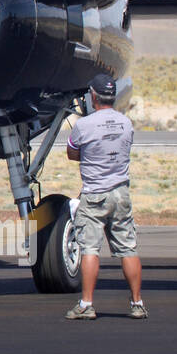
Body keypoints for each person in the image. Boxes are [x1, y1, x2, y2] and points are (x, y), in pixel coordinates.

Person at [64, 73, 147, 320]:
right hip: (121, 193)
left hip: (94, 194)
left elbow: (72, 152)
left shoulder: (84, 125)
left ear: (93, 96)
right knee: (128, 249)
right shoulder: (126, 123)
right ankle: (137, 303)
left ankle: (86, 304)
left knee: (89, 249)